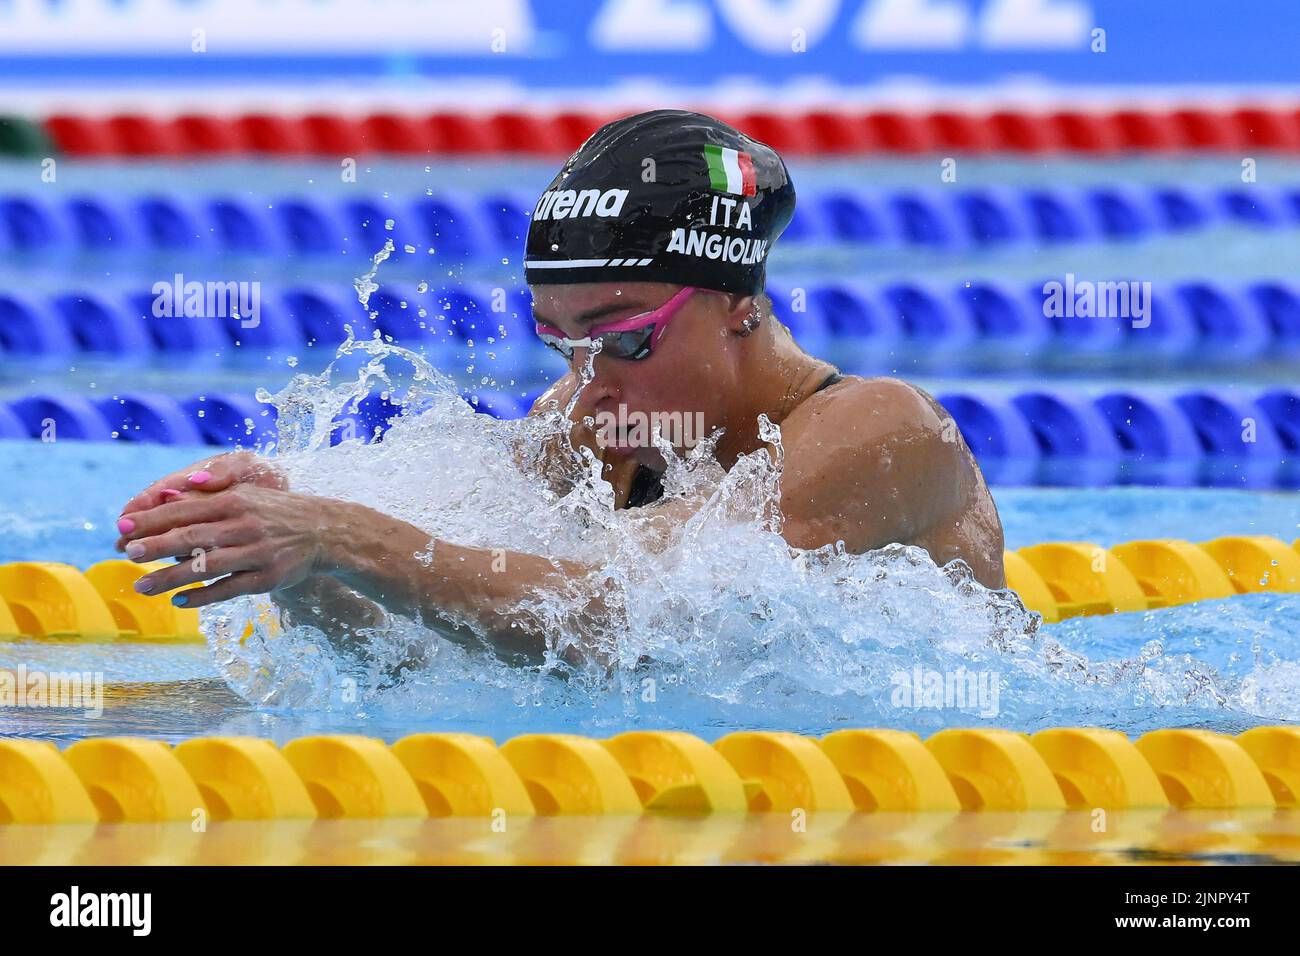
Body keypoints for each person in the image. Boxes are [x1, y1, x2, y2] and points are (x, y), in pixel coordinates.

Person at [115, 110, 1006, 666]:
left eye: (623, 339)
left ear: (738, 306)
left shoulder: (881, 430)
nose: (587, 390)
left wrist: (342, 533)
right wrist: (297, 561)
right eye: (562, 345)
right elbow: (427, 658)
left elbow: (619, 623)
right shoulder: (586, 429)